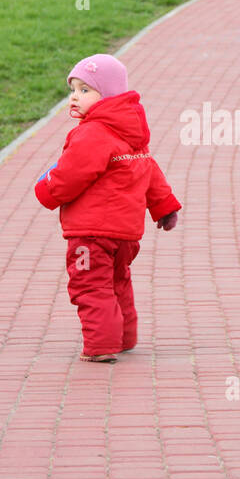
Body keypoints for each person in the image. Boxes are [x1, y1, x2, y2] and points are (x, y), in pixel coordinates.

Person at [34, 54, 181, 363]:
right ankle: (124, 337)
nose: (75, 96)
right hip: (126, 235)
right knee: (117, 282)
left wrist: (46, 190)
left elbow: (72, 174)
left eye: (85, 90)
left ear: (108, 95)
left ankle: (102, 345)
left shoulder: (93, 133)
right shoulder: (132, 133)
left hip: (91, 234)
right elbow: (150, 171)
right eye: (73, 89)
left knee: (90, 286)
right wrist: (164, 207)